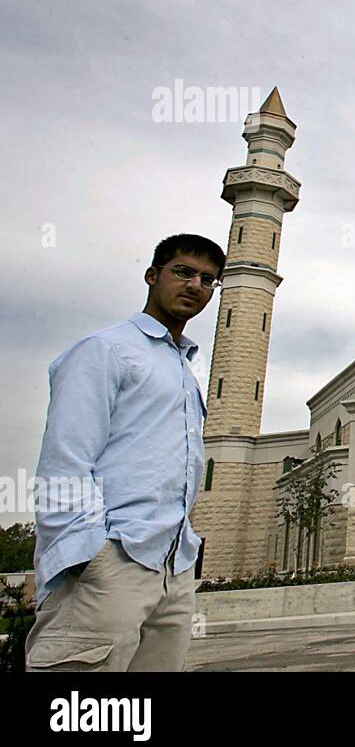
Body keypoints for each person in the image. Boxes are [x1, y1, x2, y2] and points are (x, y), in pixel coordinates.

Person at [25, 234, 224, 671]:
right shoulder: (107, 350)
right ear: (152, 276)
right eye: (183, 272)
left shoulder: (183, 368)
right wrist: (89, 554)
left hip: (172, 567)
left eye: (209, 280)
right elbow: (65, 458)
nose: (195, 286)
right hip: (113, 559)